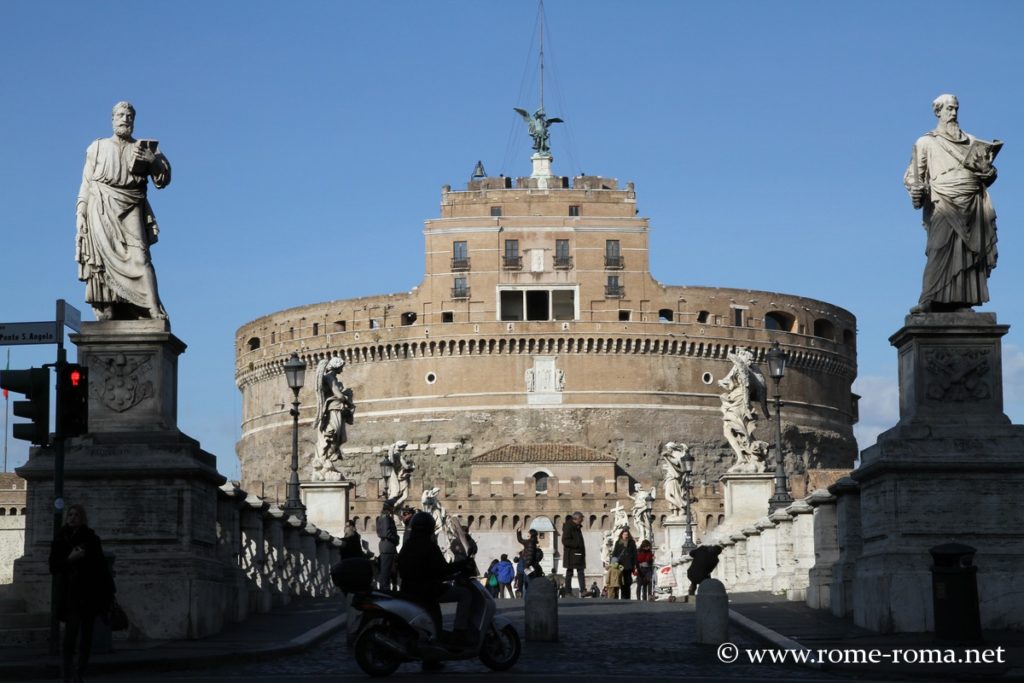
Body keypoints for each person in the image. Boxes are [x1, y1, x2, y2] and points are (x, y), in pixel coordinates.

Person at [76, 101, 171, 322]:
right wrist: (80, 213)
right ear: (112, 119)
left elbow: (163, 178)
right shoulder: (96, 147)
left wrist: (152, 161)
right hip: (100, 205)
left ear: (134, 120)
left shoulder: (145, 147)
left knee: (141, 257)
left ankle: (152, 306)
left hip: (132, 204)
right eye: (120, 115)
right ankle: (108, 306)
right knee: (102, 259)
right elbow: (86, 183)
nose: (125, 119)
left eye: (129, 116)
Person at [904, 94, 999, 314]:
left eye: (956, 109)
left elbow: (988, 176)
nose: (954, 113)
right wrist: (916, 189)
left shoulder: (971, 141)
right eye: (949, 109)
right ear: (938, 112)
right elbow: (912, 175)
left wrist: (988, 169)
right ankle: (930, 298)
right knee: (939, 248)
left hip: (971, 202)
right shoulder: (926, 142)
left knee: (967, 252)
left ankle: (963, 301)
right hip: (943, 200)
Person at [49, 504, 115, 683]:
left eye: (76, 515)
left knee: (86, 636)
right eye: (70, 514)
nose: (72, 517)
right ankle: (67, 672)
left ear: (82, 518)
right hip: (69, 595)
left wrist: (108, 595)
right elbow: (53, 566)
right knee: (70, 636)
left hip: (88, 594)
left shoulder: (92, 539)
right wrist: (70, 559)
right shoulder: (60, 539)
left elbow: (101, 568)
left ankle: (80, 672)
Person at [397, 511, 474, 646]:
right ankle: (459, 632)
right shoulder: (429, 546)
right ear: (429, 528)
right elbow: (442, 569)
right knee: (464, 594)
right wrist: (461, 565)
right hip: (428, 590)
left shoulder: (407, 546)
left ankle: (434, 649)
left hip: (409, 590)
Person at [312, 357, 355, 481]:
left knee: (339, 437)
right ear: (337, 366)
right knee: (332, 433)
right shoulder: (330, 377)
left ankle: (326, 465)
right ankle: (324, 464)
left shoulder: (333, 377)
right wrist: (347, 398)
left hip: (338, 410)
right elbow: (338, 394)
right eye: (342, 366)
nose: (343, 369)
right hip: (333, 410)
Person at [376, 498, 400, 590]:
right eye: (392, 507)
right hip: (388, 546)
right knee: (386, 571)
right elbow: (386, 533)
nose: (393, 509)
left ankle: (385, 589)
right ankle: (384, 591)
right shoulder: (386, 517)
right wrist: (396, 539)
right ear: (389, 507)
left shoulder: (382, 517)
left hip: (386, 546)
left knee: (387, 570)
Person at [561, 512, 586, 597]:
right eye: (581, 518)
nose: (582, 520)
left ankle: (582, 590)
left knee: (579, 571)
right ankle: (568, 591)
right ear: (576, 518)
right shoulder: (569, 526)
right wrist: (577, 544)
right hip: (571, 554)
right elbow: (565, 541)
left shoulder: (576, 527)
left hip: (577, 553)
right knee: (570, 572)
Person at [611, 528, 638, 600]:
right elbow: (615, 553)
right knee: (621, 580)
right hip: (620, 565)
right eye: (624, 534)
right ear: (621, 535)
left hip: (629, 565)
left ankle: (627, 596)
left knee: (628, 581)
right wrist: (613, 563)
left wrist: (634, 564)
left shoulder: (631, 542)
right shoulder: (618, 542)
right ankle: (623, 596)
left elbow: (635, 553)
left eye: (627, 534)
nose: (625, 536)